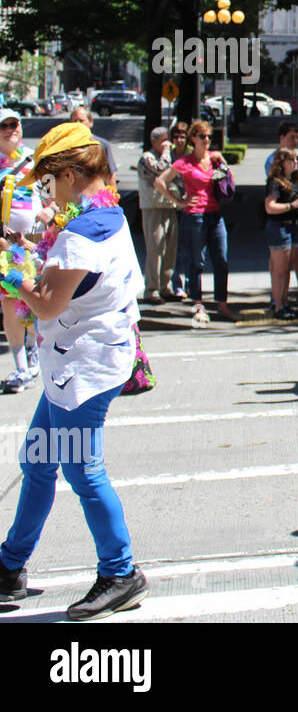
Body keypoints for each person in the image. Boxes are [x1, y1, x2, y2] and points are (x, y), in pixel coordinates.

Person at [0, 123, 148, 620]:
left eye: (50, 181)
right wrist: (25, 250)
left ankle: (121, 572)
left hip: (83, 370)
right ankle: (10, 565)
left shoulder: (81, 234)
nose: (48, 191)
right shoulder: (106, 213)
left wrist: (8, 270)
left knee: (82, 472)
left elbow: (45, 304)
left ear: (68, 174)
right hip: (80, 365)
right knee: (39, 462)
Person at [153, 121, 235, 325]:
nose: (206, 140)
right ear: (193, 139)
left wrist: (222, 160)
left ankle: (222, 303)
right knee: (197, 261)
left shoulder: (214, 160)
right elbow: (159, 182)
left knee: (221, 259)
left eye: (208, 137)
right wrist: (180, 201)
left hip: (215, 214)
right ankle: (198, 304)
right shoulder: (186, 163)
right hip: (195, 215)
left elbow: (227, 182)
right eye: (202, 136)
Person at [0, 108, 45, 392]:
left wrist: (50, 215)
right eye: (3, 126)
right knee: (8, 305)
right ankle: (21, 368)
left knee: (35, 302)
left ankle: (35, 352)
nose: (10, 129)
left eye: (14, 124)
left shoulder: (35, 161)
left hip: (34, 244)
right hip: (5, 246)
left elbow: (54, 196)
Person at [264, 123, 298, 308]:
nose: (295, 141)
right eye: (291, 137)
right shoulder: (275, 172)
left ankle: (286, 301)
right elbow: (271, 204)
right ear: (281, 137)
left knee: (292, 261)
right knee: (279, 265)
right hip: (281, 224)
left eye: (297, 137)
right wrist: (293, 203)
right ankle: (277, 302)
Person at [136, 126, 181, 303]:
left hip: (169, 206)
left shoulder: (169, 156)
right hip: (152, 208)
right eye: (163, 140)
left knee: (170, 248)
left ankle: (165, 285)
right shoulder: (146, 158)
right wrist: (167, 152)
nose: (166, 144)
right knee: (155, 249)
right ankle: (151, 289)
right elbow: (160, 170)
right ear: (153, 141)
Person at [166, 121, 190, 301]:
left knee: (189, 247)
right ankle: (176, 284)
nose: (180, 140)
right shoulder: (168, 156)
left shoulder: (190, 156)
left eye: (183, 137)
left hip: (188, 205)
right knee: (175, 248)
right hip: (171, 206)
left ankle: (190, 284)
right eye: (177, 137)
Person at [68, 106, 117, 188]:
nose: (77, 124)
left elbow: (110, 176)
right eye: (74, 121)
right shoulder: (65, 147)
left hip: (95, 196)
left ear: (91, 122)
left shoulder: (102, 145)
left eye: (81, 120)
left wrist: (113, 198)